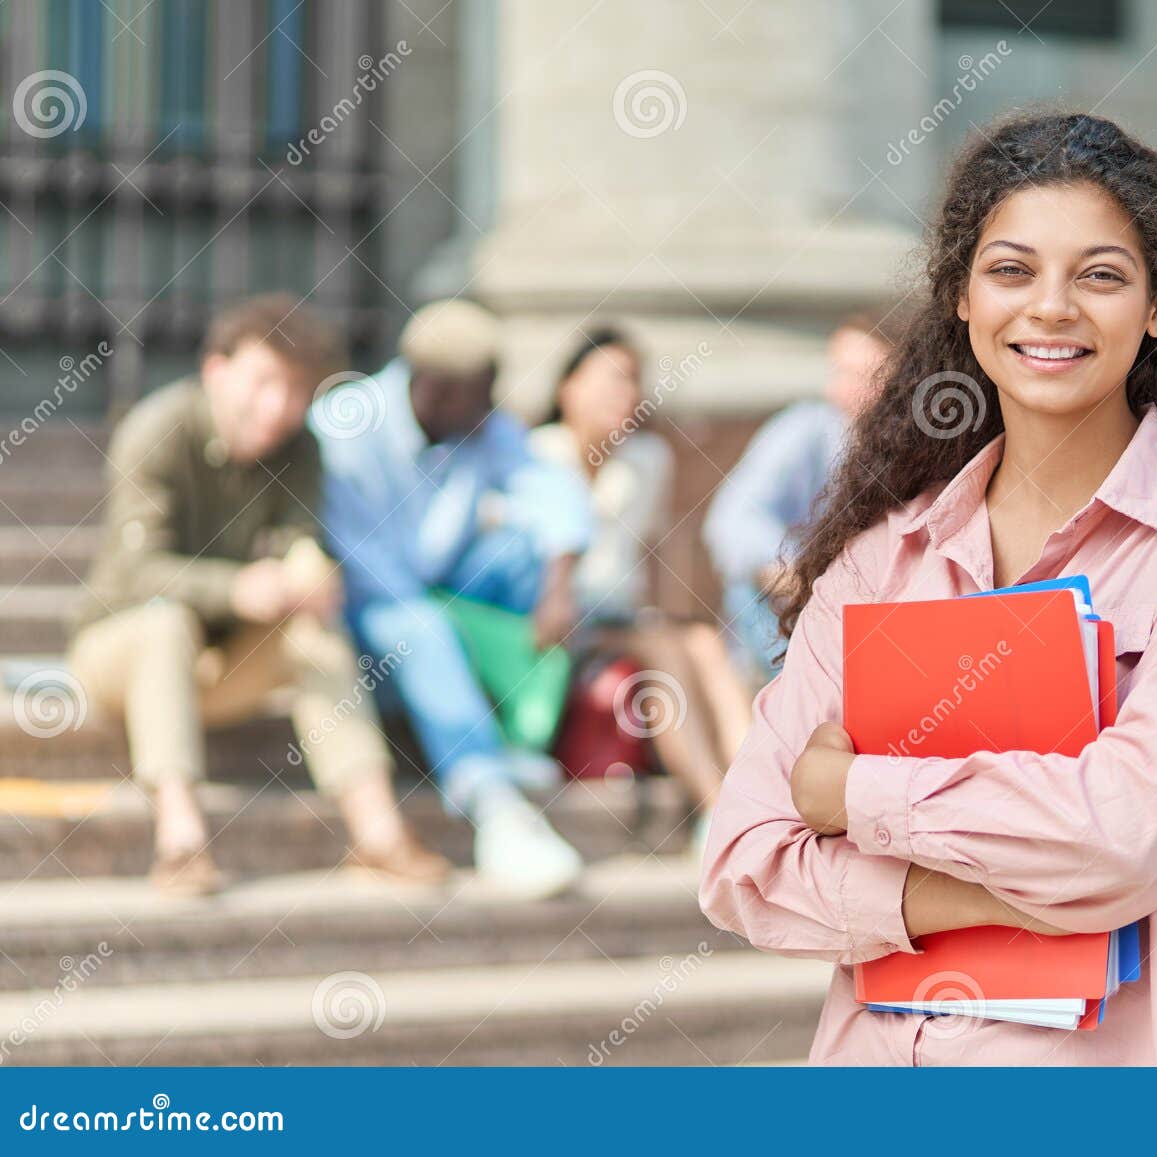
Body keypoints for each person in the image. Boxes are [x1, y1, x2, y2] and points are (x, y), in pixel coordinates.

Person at [698, 111, 1157, 1065]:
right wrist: (983, 894)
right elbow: (743, 862)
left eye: (1102, 275)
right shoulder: (882, 560)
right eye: (1011, 270)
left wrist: (855, 791)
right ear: (960, 295)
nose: (1052, 307)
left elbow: (1128, 832)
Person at [67, 294, 449, 895]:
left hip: (218, 667)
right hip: (118, 648)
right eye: (265, 380)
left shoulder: (300, 450)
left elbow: (301, 538)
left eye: (298, 391)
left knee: (316, 633)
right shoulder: (158, 430)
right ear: (216, 370)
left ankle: (378, 834)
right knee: (165, 624)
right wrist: (236, 588)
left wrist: (310, 573)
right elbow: (134, 574)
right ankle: (181, 841)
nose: (279, 407)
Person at [314, 300, 592, 897]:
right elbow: (370, 571)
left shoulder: (482, 424)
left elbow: (551, 489)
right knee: (418, 625)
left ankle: (525, 730)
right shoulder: (347, 425)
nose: (493, 409)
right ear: (434, 389)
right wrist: (435, 617)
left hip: (435, 590)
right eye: (480, 393)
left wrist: (560, 583)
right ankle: (495, 806)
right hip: (369, 618)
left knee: (524, 555)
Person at [530, 327, 752, 847]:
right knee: (664, 649)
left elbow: (651, 561)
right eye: (610, 379)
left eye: (632, 381)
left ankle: (752, 798)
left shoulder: (648, 460)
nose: (624, 394)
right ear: (568, 388)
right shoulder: (537, 457)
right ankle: (717, 808)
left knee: (703, 644)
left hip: (623, 619)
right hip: (559, 625)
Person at [702, 313, 892, 683]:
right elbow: (731, 521)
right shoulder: (805, 428)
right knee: (751, 586)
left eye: (859, 376)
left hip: (877, 615)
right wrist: (802, 575)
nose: (836, 391)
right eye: (838, 372)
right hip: (806, 605)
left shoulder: (920, 448)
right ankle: (797, 701)